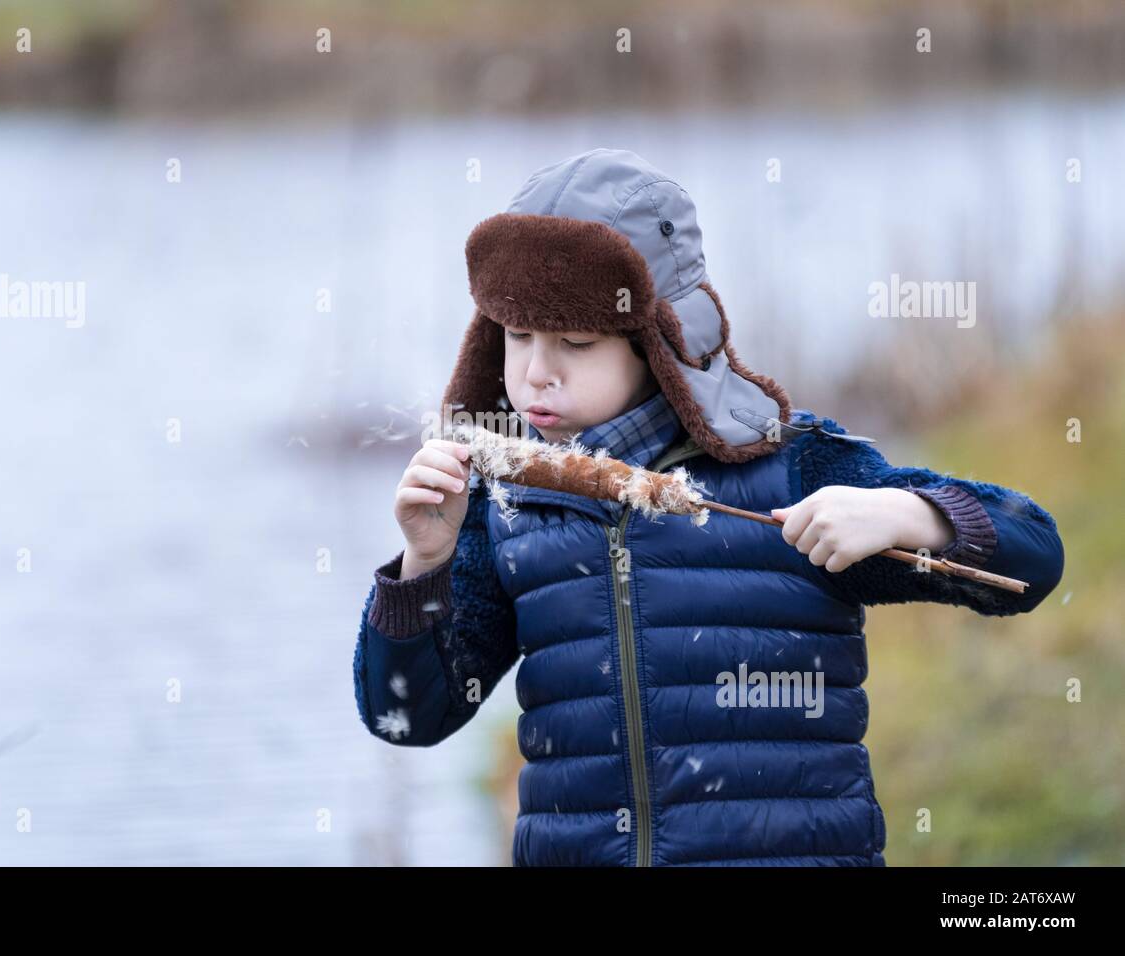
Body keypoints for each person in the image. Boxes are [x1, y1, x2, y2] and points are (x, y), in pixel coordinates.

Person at [352, 148, 1064, 866]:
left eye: (575, 341)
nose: (537, 371)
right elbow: (407, 717)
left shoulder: (795, 469)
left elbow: (1034, 557)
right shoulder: (502, 504)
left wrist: (910, 516)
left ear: (661, 344)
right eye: (517, 336)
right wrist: (423, 566)